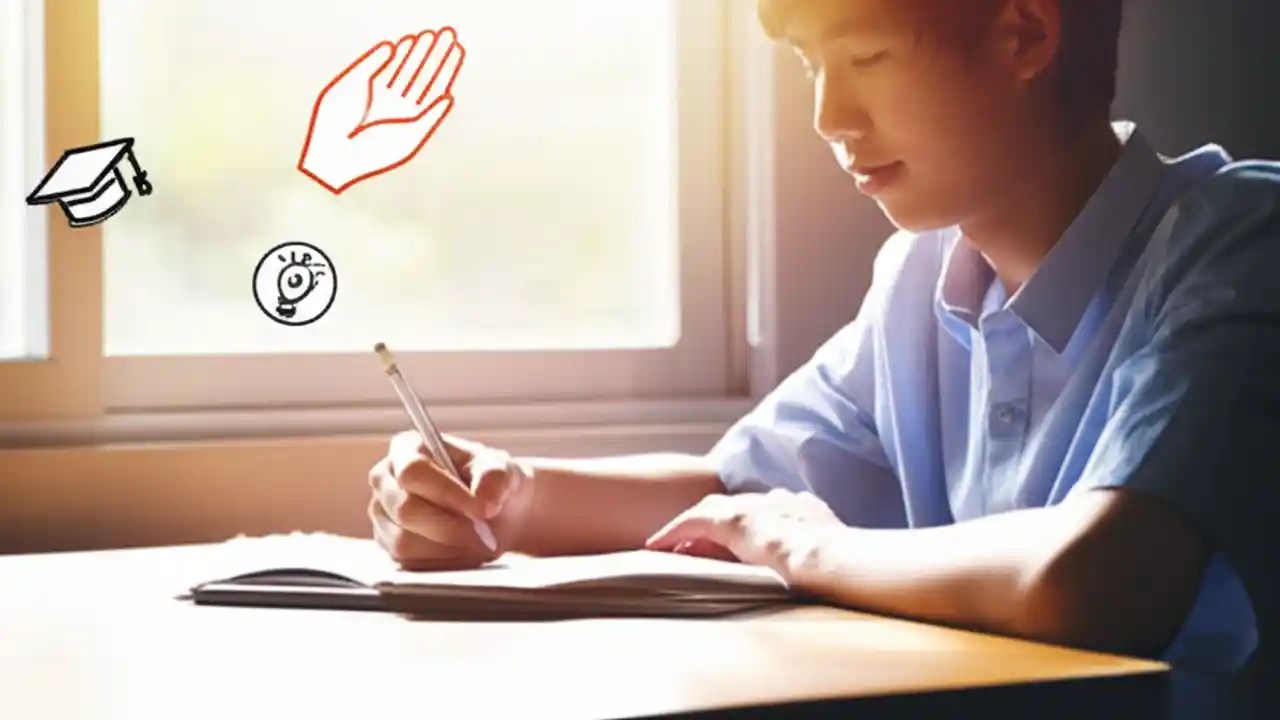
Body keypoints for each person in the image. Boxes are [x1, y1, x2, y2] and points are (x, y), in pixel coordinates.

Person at [367, 0, 1279, 673]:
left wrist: (810, 550)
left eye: (868, 56)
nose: (829, 119)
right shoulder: (918, 279)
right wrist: (508, 498)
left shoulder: (1241, 238)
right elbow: (735, 491)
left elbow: (1098, 581)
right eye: (810, 66)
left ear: (1026, 33)